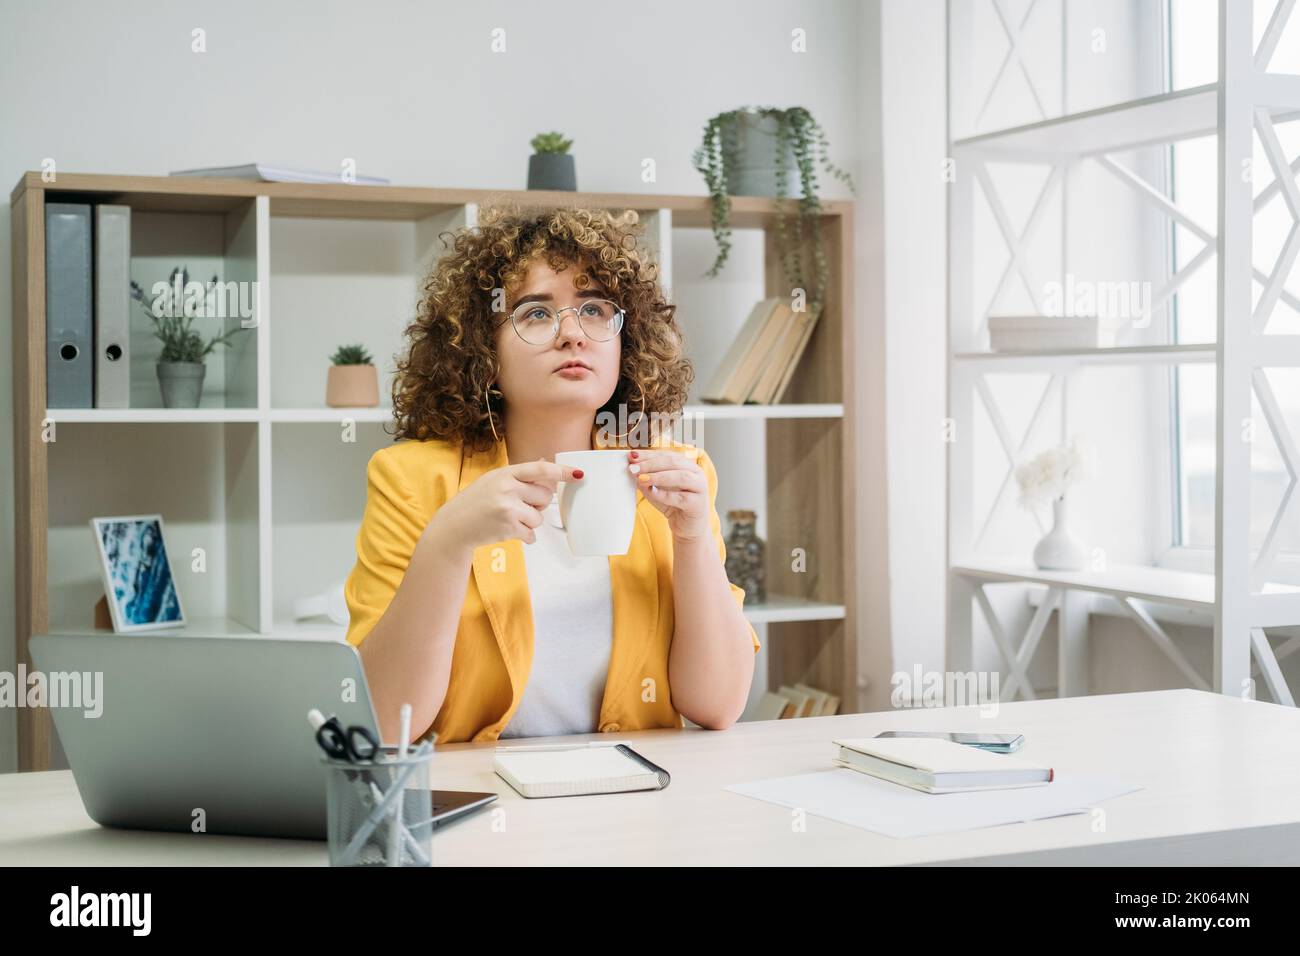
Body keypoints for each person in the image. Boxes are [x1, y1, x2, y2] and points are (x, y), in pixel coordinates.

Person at [343, 205, 759, 745]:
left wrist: (692, 537)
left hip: (638, 801)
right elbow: (382, 723)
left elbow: (717, 705)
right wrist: (447, 544)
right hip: (481, 802)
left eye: (594, 310)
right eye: (536, 314)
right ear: (481, 353)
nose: (572, 334)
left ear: (623, 343)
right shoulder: (411, 479)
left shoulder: (679, 474)